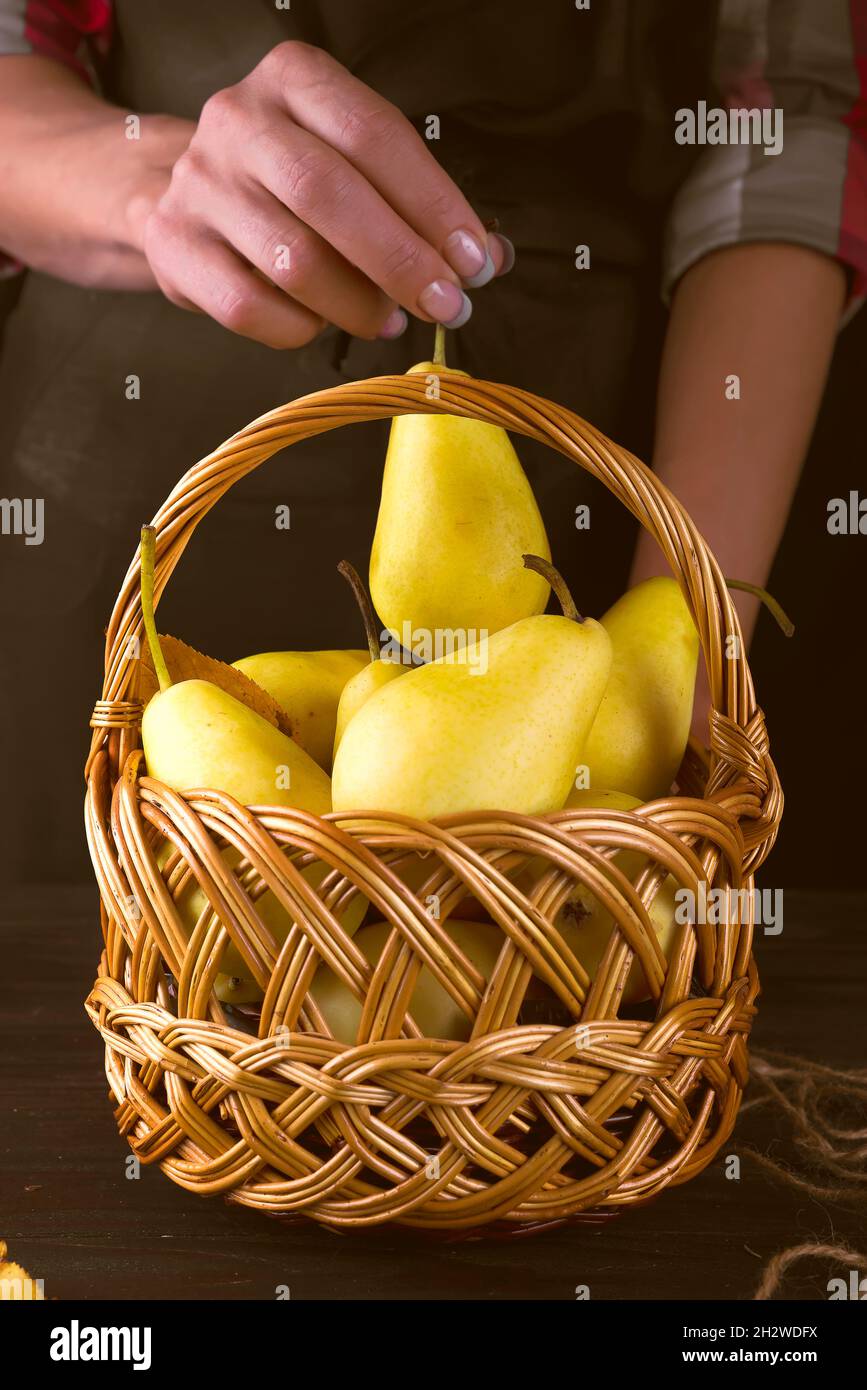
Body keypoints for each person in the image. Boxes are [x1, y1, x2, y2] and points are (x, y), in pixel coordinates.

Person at [0, 0, 863, 883]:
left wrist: (685, 649)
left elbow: (787, 126)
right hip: (123, 490)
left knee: (559, 985)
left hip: (596, 507)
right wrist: (159, 193)